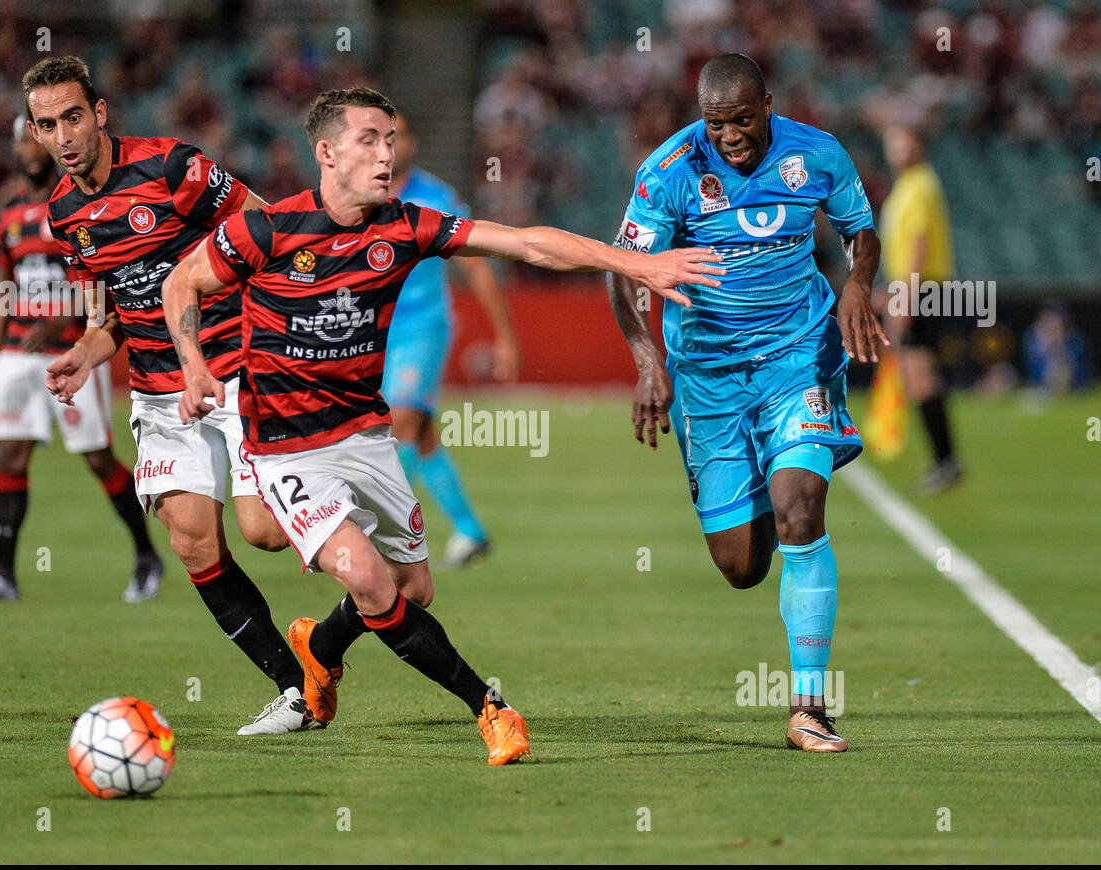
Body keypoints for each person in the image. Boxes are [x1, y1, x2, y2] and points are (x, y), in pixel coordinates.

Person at [162, 87, 722, 765]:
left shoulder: (405, 226)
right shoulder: (267, 230)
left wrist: (637, 262)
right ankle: (490, 708)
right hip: (286, 451)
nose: (385, 152)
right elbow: (181, 285)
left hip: (366, 438)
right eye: (369, 139)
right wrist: (194, 367)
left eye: (391, 139)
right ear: (327, 152)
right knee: (368, 581)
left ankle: (320, 648)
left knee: (411, 590)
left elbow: (524, 244)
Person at [606, 54, 886, 753]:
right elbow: (623, 270)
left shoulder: (815, 152)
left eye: (740, 119)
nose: (728, 135)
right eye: (714, 122)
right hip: (708, 378)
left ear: (767, 104)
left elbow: (862, 229)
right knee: (741, 565)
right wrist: (648, 360)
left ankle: (808, 708)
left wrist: (856, 284)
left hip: (797, 357)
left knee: (801, 508)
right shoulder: (669, 172)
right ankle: (759, 484)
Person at [22, 55, 309, 736]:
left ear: (99, 113)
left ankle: (359, 560)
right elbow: (109, 312)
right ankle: (296, 689)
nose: (62, 135)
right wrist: (85, 354)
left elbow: (266, 226)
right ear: (33, 134)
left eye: (71, 117)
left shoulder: (172, 167)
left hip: (240, 368)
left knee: (264, 532)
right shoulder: (65, 214)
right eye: (45, 125)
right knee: (192, 543)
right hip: (158, 390)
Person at [0, 116, 163, 604]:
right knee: (10, 454)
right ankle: (2, 573)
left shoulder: (77, 208)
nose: (26, 147)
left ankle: (147, 556)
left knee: (96, 456)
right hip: (18, 355)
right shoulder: (9, 216)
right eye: (20, 138)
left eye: (33, 138)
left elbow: (102, 278)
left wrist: (61, 317)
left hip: (74, 351)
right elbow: (6, 289)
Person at [384, 112, 519, 567]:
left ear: (412, 144)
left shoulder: (437, 198)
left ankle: (389, 541)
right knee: (420, 435)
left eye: (397, 136)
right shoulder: (362, 195)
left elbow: (476, 265)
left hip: (421, 327)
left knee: (397, 425)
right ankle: (469, 530)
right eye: (381, 137)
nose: (389, 145)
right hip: (370, 331)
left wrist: (504, 338)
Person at [881, 123, 963, 495]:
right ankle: (945, 461)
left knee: (921, 376)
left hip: (923, 289)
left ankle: (946, 462)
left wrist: (905, 299)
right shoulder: (909, 186)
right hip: (918, 288)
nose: (897, 148)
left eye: (904, 140)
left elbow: (918, 245)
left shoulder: (919, 186)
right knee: (919, 376)